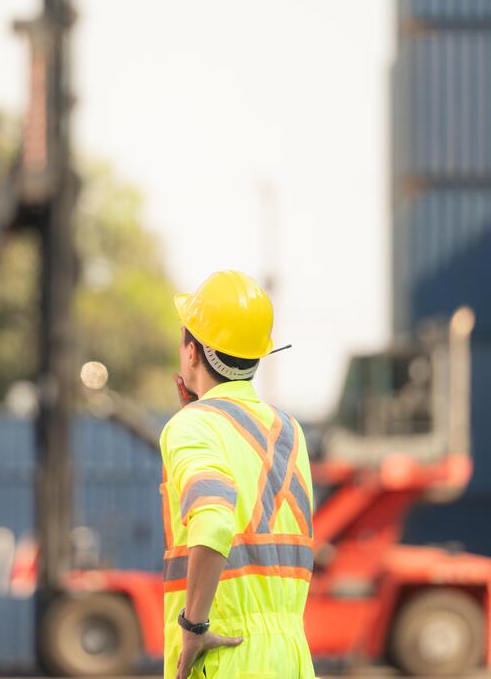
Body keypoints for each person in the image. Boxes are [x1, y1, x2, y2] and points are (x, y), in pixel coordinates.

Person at [160, 270, 316, 679]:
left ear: (192, 352)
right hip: (292, 657)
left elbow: (213, 518)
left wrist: (192, 627)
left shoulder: (192, 427)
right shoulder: (289, 431)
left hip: (225, 656)